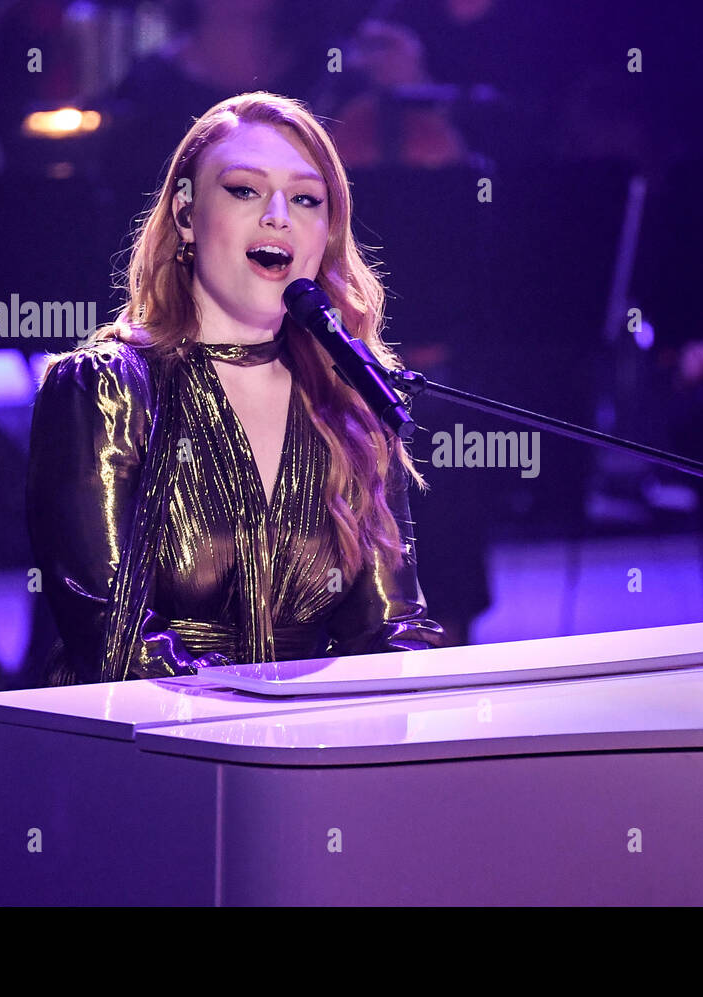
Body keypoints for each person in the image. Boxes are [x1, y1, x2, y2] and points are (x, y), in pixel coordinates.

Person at [26, 92, 445, 686]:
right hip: (151, 753)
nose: (278, 214)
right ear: (186, 214)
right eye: (244, 190)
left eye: (305, 198)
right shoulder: (107, 387)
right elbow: (111, 636)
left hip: (308, 753)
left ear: (326, 232)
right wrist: (254, 723)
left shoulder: (351, 399)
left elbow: (390, 630)